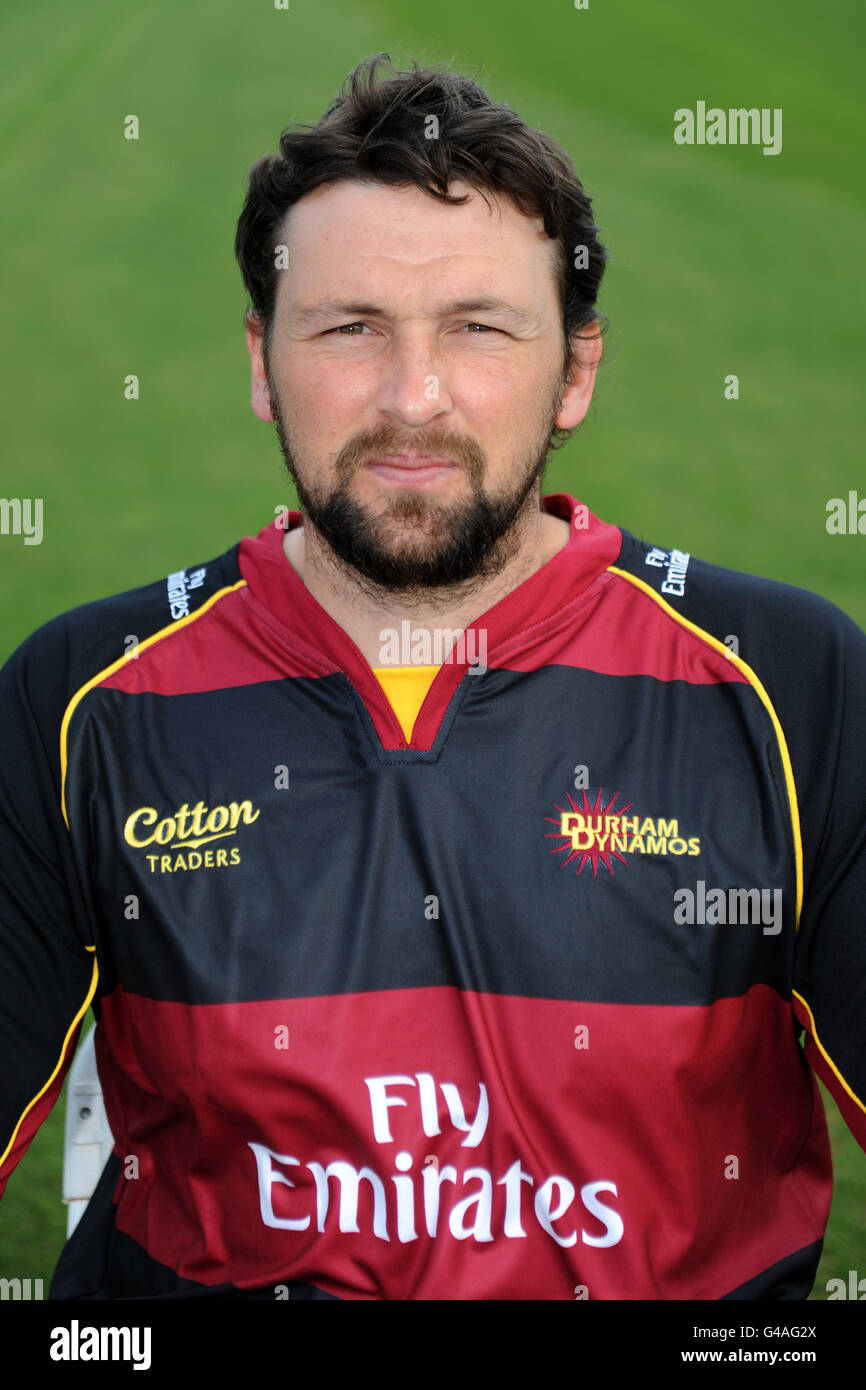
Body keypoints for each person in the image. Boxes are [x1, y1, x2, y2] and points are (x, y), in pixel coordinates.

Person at [1, 52, 864, 1302]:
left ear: (572, 370)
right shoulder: (88, 697)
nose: (414, 399)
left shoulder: (787, 683)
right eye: (350, 328)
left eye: (478, 328)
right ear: (261, 362)